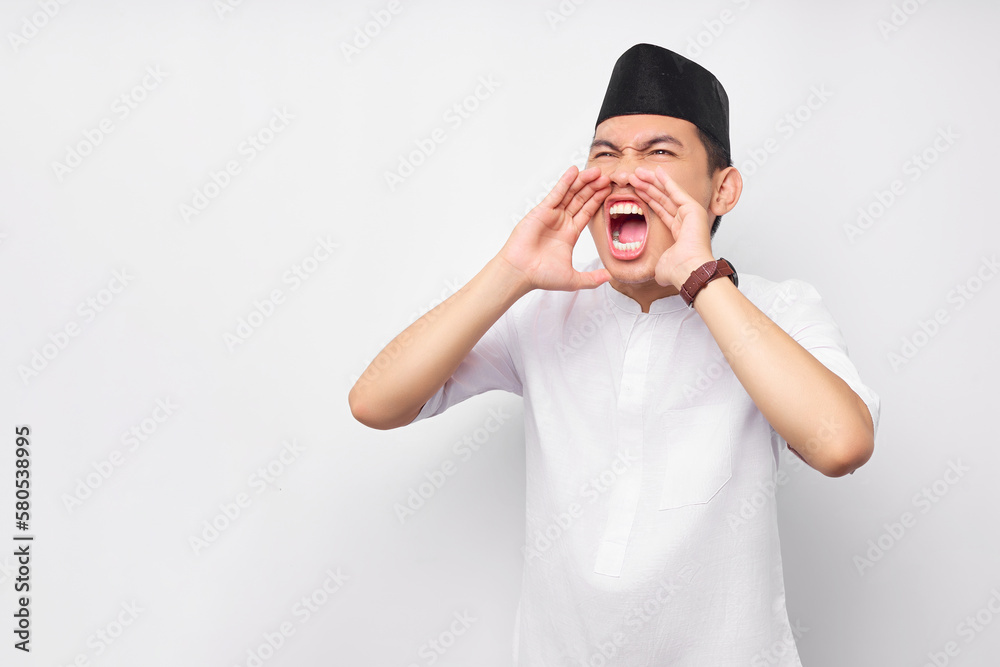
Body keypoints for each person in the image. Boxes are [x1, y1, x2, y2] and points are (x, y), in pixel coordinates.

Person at [349, 43, 880, 666]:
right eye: (605, 154)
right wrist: (511, 272)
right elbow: (374, 403)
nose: (624, 173)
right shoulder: (545, 311)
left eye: (659, 152)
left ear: (723, 190)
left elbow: (841, 444)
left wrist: (701, 278)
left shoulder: (776, 310)